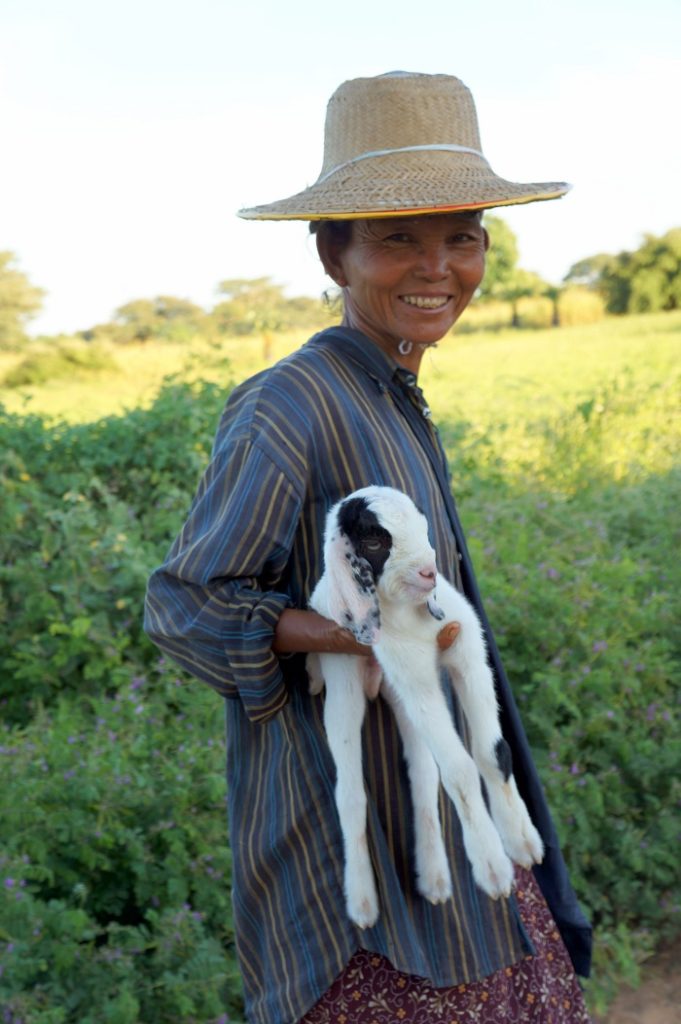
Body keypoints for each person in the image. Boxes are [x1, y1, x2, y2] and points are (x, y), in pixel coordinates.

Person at [145, 71, 593, 1024]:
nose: (438, 266)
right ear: (331, 255)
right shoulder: (289, 403)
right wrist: (361, 635)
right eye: (398, 238)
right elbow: (186, 604)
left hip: (455, 834)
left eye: (461, 236)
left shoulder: (391, 392)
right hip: (353, 872)